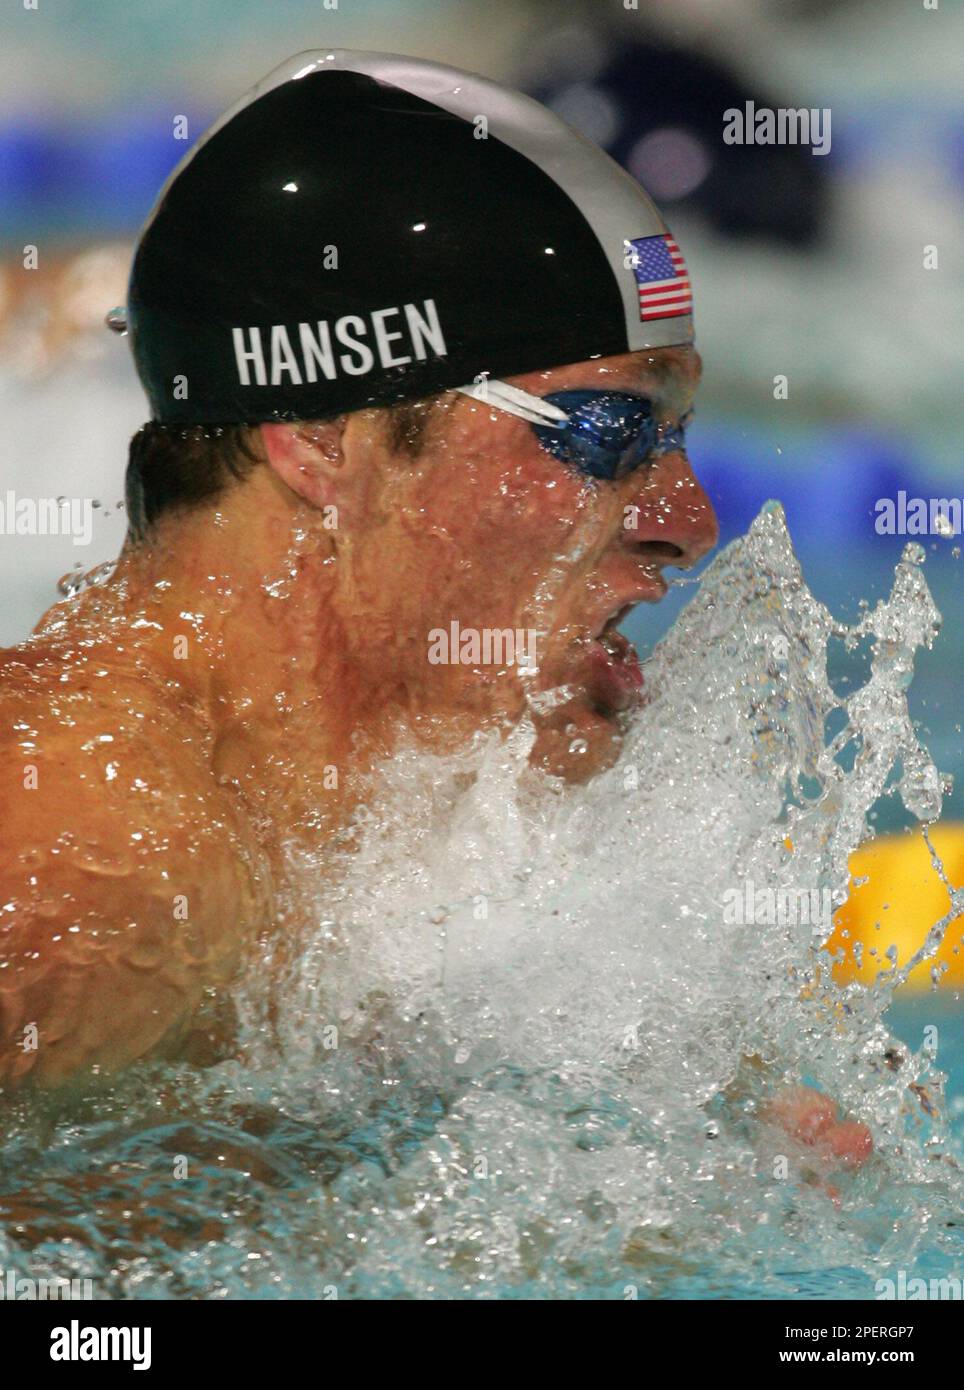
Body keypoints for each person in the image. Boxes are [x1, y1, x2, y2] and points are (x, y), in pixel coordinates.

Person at [0, 51, 872, 1166]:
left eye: (678, 432)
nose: (688, 519)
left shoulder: (349, 849)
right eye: (606, 429)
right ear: (322, 437)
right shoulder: (83, 849)